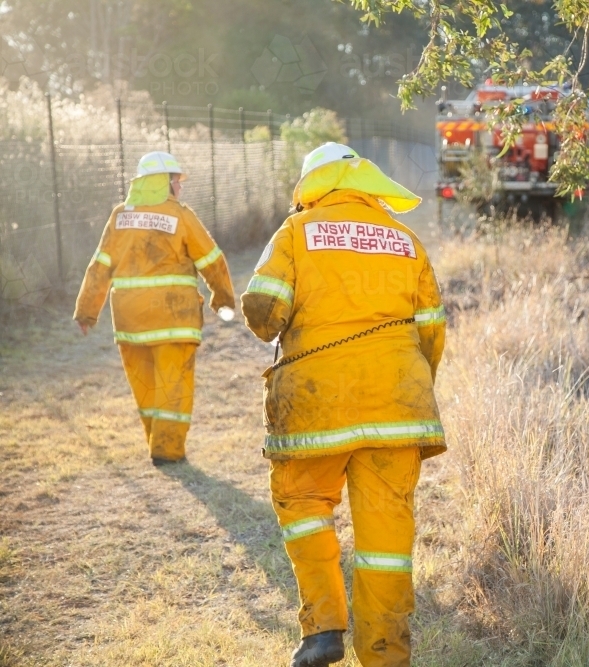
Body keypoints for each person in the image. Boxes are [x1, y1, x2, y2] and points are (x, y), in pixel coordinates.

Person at [241, 143, 446, 667]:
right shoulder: (406, 239)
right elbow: (432, 332)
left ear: (313, 186)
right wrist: (406, 391)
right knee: (386, 543)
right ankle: (386, 655)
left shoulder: (294, 232)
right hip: (398, 407)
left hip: (314, 409)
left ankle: (323, 629)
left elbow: (265, 311)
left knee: (304, 505)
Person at [74, 151, 235, 464]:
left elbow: (100, 266)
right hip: (174, 319)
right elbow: (211, 260)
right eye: (178, 181)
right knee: (173, 384)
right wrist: (223, 299)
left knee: (145, 385)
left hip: (130, 322)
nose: (181, 188)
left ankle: (156, 441)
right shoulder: (180, 215)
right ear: (167, 183)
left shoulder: (120, 215)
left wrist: (86, 311)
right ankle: (167, 450)